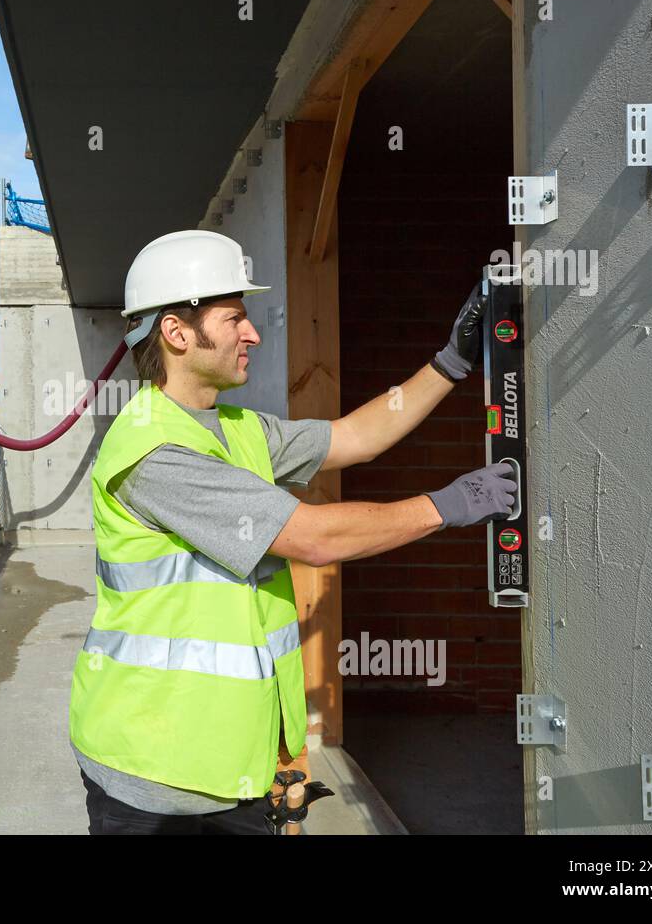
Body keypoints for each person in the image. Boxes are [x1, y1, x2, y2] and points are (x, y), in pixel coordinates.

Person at [69, 229, 516, 835]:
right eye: (235, 320)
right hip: (154, 773)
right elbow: (313, 539)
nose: (252, 333)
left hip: (233, 765)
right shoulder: (153, 452)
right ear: (177, 332)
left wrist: (451, 361)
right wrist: (449, 505)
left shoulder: (238, 429)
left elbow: (355, 437)